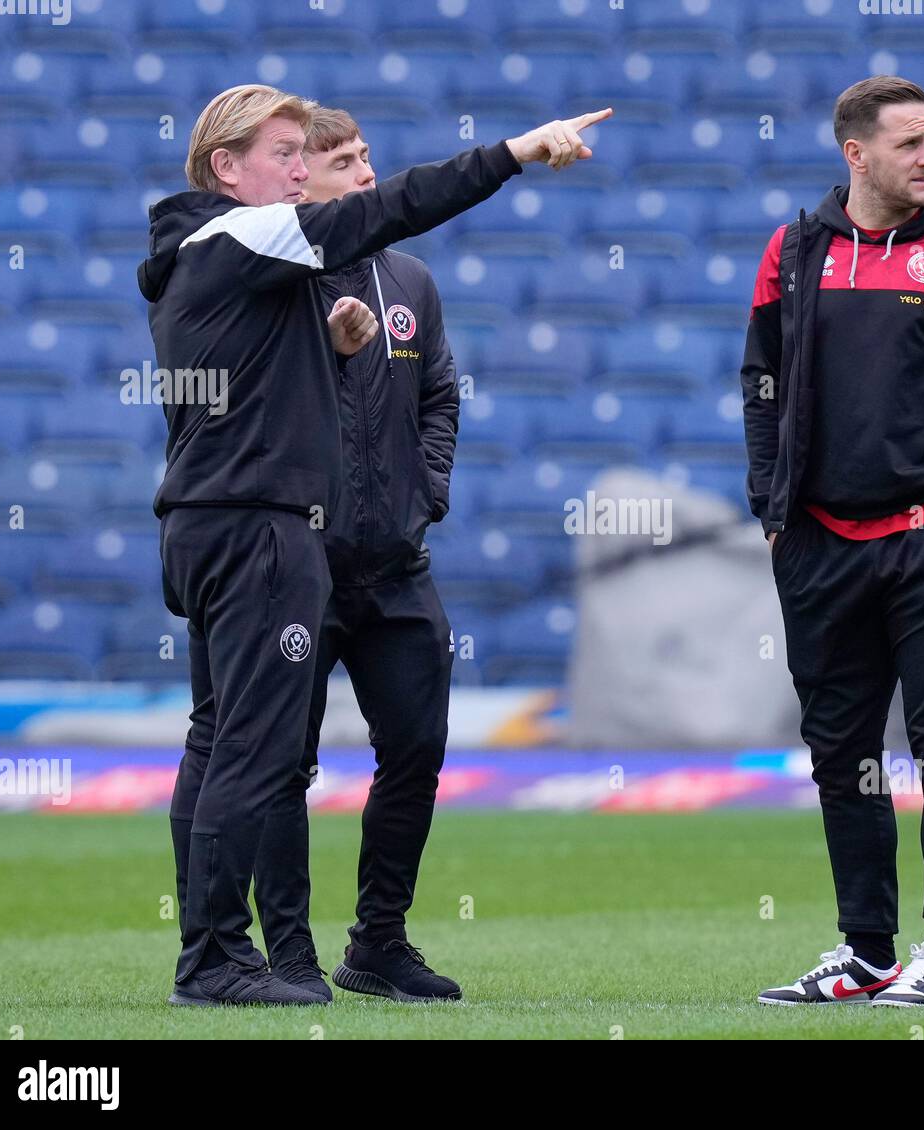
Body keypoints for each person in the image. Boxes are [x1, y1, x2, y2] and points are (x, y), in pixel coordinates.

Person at [145, 82, 610, 1006]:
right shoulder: (239, 234)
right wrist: (514, 151)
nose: (300, 166)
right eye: (284, 153)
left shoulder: (218, 254)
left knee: (220, 741)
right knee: (253, 749)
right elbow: (395, 205)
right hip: (260, 524)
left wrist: (344, 346)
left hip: (216, 518)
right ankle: (219, 960)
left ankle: (240, 953)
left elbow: (279, 384)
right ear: (225, 169)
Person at [741, 75, 924, 1009]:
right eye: (910, 142)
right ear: (856, 154)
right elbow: (759, 384)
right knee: (842, 753)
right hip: (821, 544)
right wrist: (775, 513)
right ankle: (867, 949)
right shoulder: (793, 253)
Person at [245, 106, 466, 1004]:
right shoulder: (273, 282)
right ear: (305, 180)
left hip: (396, 565)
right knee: (279, 765)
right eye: (342, 160)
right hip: (300, 568)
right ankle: (287, 954)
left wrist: (428, 488)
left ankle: (378, 942)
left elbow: (441, 393)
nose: (364, 172)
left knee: (415, 751)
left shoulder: (408, 278)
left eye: (368, 156)